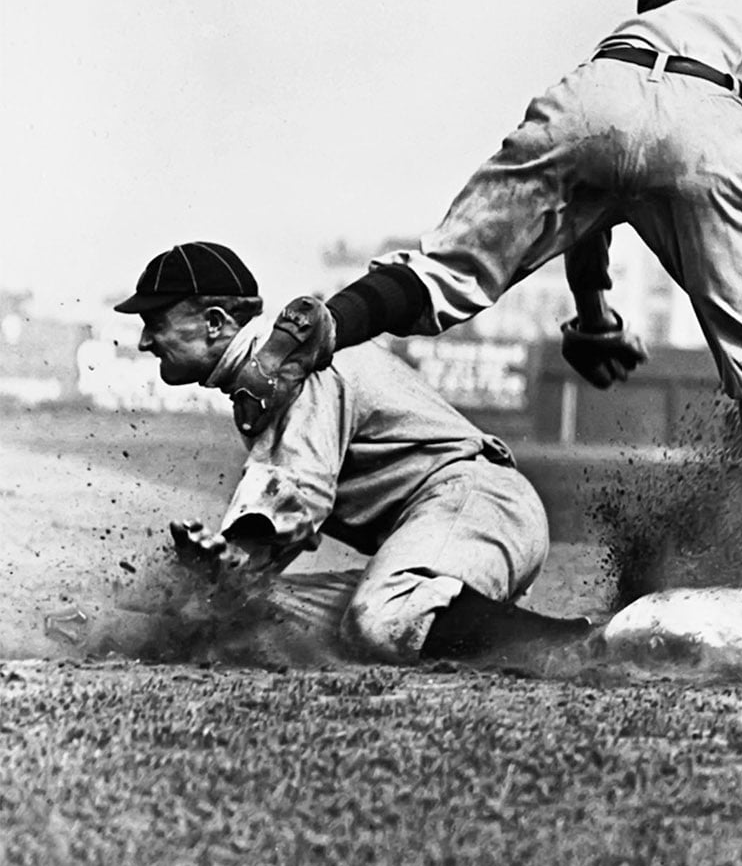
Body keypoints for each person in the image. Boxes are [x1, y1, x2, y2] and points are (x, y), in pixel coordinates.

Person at [226, 0, 742, 581]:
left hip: (587, 107)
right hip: (710, 122)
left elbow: (586, 218)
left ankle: (330, 320)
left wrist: (595, 318)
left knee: (446, 270)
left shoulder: (624, 42)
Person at [118, 241, 589, 664]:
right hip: (443, 529)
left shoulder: (300, 366)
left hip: (475, 503)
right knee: (247, 615)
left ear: (215, 322)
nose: (144, 340)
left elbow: (297, 495)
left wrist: (234, 556)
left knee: (382, 619)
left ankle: (586, 644)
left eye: (155, 322)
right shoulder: (268, 378)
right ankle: (457, 615)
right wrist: (210, 582)